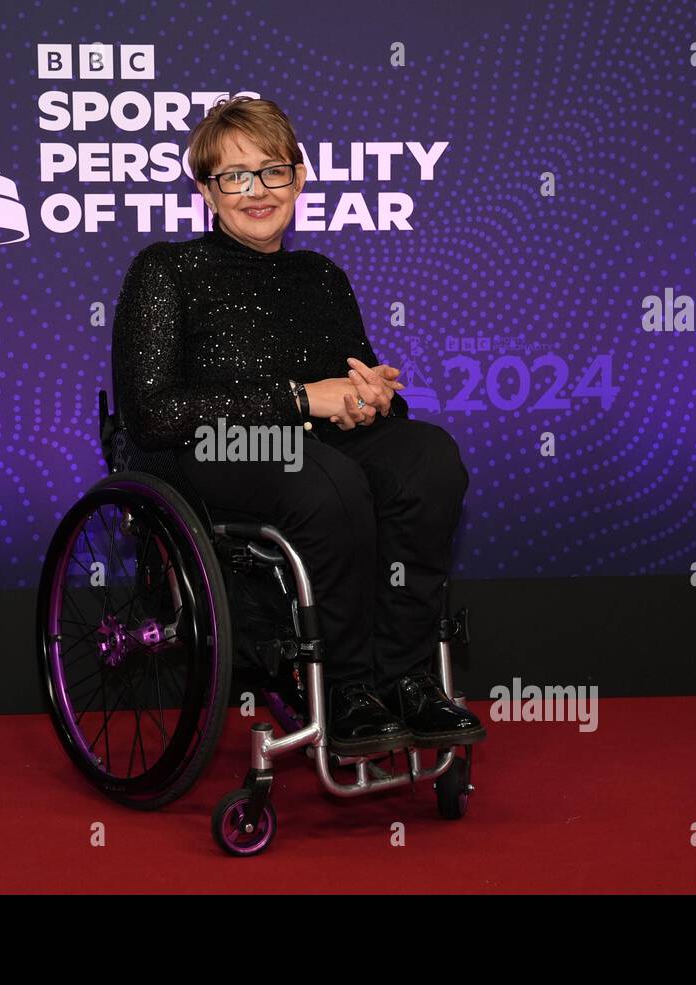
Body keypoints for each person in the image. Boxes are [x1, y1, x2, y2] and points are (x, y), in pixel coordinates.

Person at [112, 96, 485, 756]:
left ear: (300, 178)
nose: (256, 191)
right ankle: (345, 691)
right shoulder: (166, 270)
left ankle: (402, 677)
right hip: (211, 447)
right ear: (205, 189)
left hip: (315, 447)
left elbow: (359, 387)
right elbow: (152, 412)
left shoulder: (321, 276)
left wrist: (375, 398)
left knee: (428, 458)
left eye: (272, 171)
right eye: (234, 176)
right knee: (326, 478)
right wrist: (299, 398)